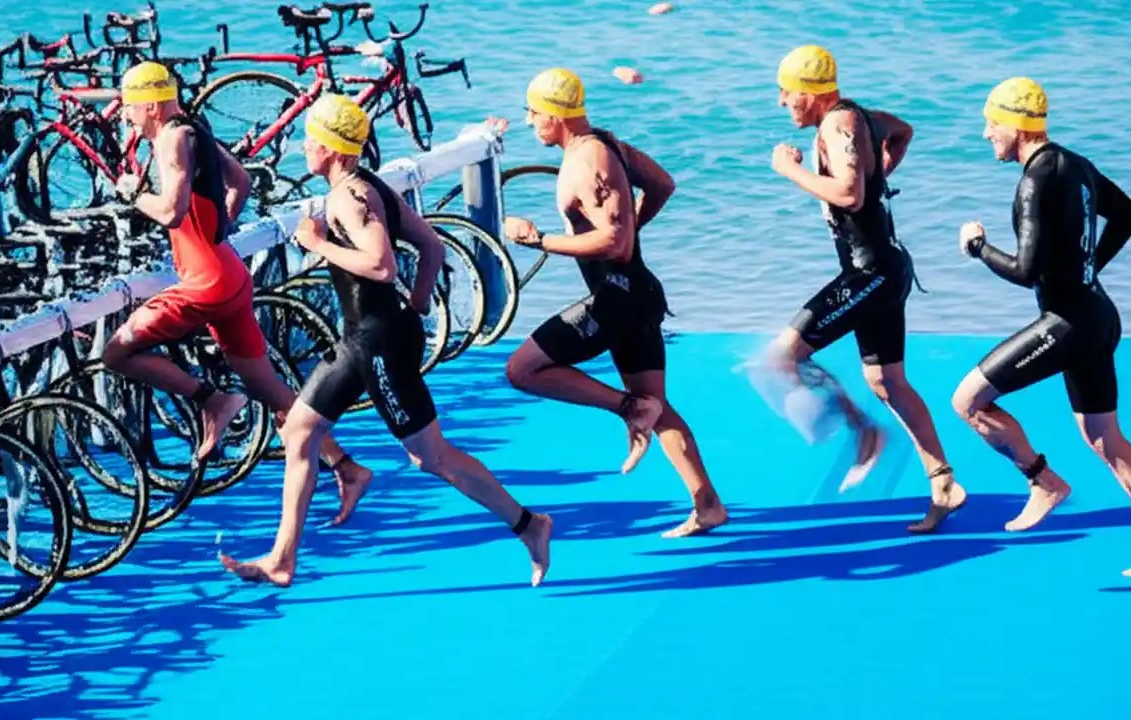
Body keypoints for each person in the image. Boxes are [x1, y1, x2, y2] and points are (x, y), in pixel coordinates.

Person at [219, 94, 553, 587]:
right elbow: (432, 247)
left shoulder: (348, 199)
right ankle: (283, 558)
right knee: (300, 434)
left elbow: (381, 265)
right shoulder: (371, 186)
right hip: (365, 338)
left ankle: (530, 524)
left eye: (312, 140)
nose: (305, 147)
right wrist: (416, 306)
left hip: (376, 346)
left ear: (332, 150)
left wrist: (317, 244)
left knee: (430, 457)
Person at [107, 62, 372, 523]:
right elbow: (242, 181)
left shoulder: (169, 140)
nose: (126, 116)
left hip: (205, 284)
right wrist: (219, 230)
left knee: (117, 354)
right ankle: (346, 467)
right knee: (270, 389)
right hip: (229, 273)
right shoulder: (195, 128)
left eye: (130, 107)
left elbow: (171, 211)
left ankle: (211, 399)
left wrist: (133, 193)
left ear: (150, 104)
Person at [500, 68, 728, 538]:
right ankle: (708, 504)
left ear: (554, 115)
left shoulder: (588, 160)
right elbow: (662, 184)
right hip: (636, 294)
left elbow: (616, 245)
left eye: (533, 114)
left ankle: (625, 407)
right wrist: (629, 225)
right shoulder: (609, 144)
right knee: (658, 405)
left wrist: (541, 240)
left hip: (619, 299)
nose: (529, 123)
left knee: (521, 370)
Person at [953, 77, 1131, 576]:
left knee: (967, 401)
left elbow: (1026, 272)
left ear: (1015, 125)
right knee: (1104, 437)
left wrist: (978, 248)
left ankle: (1043, 480)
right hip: (1097, 316)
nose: (986, 134)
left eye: (991, 123)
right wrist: (1088, 270)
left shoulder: (1035, 180)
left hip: (1068, 323)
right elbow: (1128, 215)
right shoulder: (1077, 164)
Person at [762, 45, 967, 532]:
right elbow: (903, 131)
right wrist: (881, 171)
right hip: (885, 269)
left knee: (783, 357)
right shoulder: (858, 117)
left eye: (786, 92)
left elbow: (850, 195)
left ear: (809, 94)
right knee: (887, 381)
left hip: (870, 273)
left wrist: (791, 171)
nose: (781, 102)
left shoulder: (838, 125)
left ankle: (863, 433)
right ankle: (943, 480)